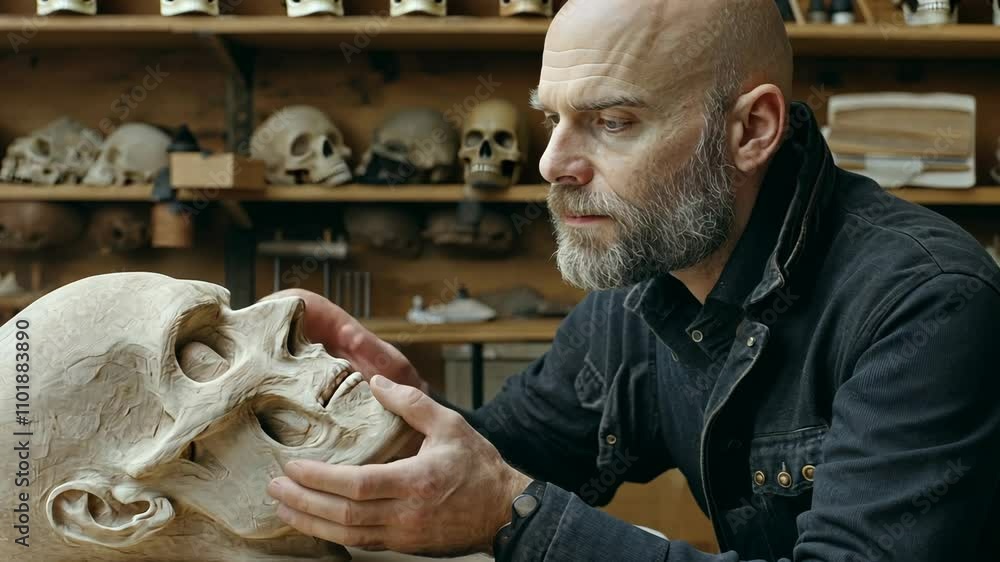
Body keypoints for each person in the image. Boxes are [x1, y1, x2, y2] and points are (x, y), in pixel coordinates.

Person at [264, 0, 1000, 560]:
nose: (552, 163)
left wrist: (514, 516)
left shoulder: (927, 304)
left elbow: (499, 498)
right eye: (551, 119)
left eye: (611, 120)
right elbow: (501, 460)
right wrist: (403, 414)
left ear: (750, 132)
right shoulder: (643, 288)